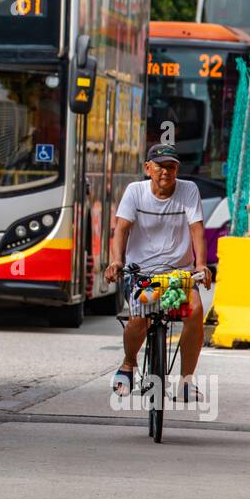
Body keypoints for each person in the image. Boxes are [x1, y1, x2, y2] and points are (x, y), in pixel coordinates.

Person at [104, 143, 212, 403]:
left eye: (172, 167)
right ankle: (129, 366)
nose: (166, 172)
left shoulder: (188, 190)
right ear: (148, 168)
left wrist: (201, 265)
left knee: (195, 311)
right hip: (143, 273)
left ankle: (186, 381)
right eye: (161, 166)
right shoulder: (135, 192)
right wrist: (117, 261)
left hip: (178, 275)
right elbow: (121, 229)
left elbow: (197, 229)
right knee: (139, 318)